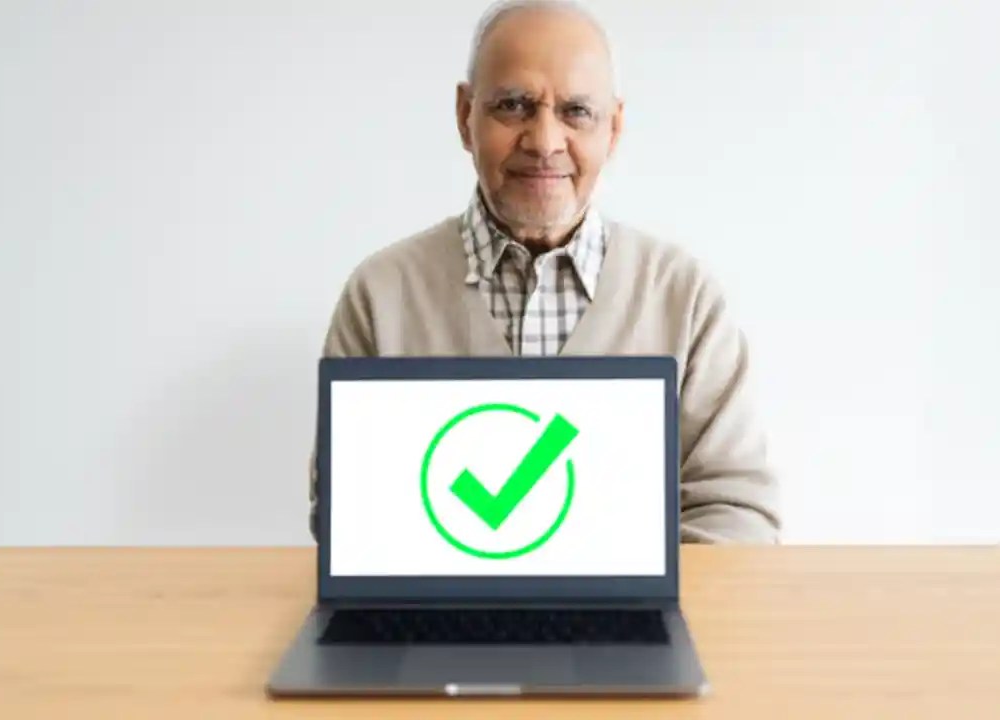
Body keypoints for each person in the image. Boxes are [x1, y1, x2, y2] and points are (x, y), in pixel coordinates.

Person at [312, 0, 780, 543]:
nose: (544, 142)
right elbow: (346, 515)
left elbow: (735, 514)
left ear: (614, 128)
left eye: (577, 112)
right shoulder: (380, 294)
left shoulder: (684, 298)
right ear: (466, 116)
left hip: (626, 624)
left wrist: (631, 613)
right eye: (513, 105)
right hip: (436, 622)